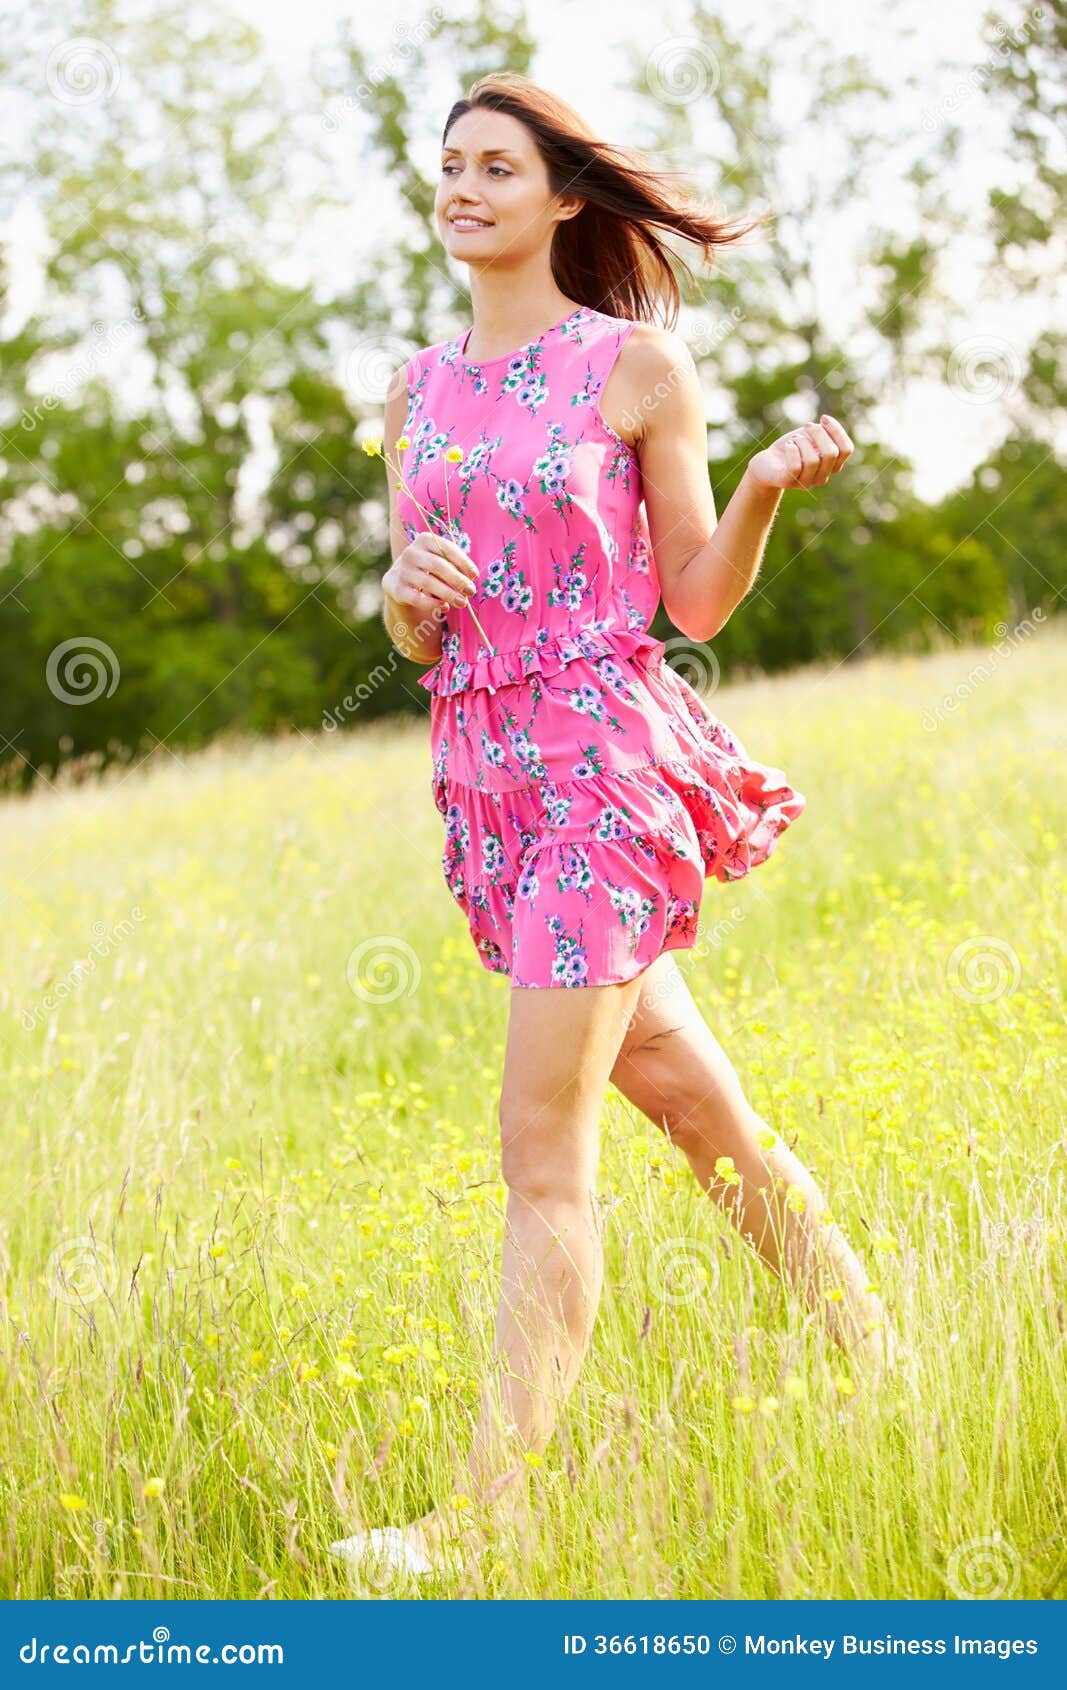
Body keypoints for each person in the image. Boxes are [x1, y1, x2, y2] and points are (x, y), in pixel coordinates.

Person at [330, 71, 899, 1582]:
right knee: (700, 1111)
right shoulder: (413, 391)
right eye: (449, 166)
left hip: (597, 769)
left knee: (540, 1152)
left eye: (496, 166)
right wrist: (400, 601)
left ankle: (482, 1519)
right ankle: (888, 1358)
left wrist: (765, 488)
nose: (463, 188)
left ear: (564, 195)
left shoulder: (632, 370)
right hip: (490, 778)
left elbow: (689, 600)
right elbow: (417, 617)